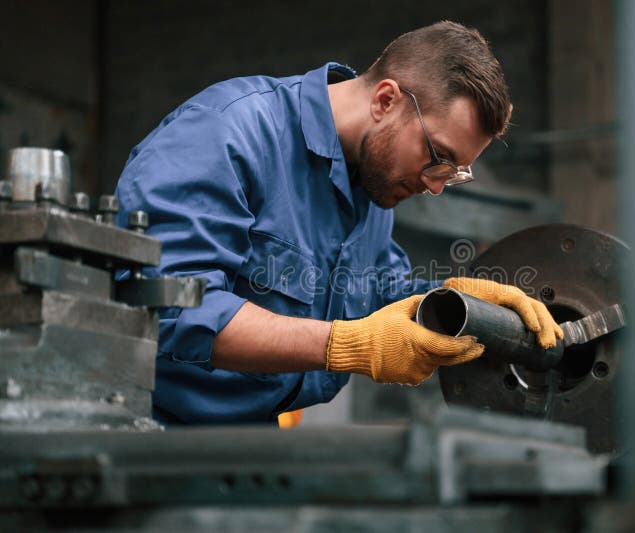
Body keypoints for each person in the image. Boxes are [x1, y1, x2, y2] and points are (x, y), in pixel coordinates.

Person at [115, 21, 563, 425]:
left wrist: (460, 301)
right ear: (386, 100)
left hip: (243, 440)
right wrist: (348, 345)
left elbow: (380, 297)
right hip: (141, 429)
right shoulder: (227, 134)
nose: (435, 186)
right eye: (437, 157)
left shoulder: (371, 187)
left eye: (453, 172)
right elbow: (172, 311)